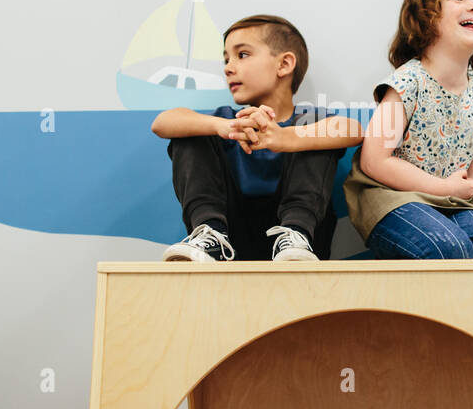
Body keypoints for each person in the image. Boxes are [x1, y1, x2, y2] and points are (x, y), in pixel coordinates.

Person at [152, 14, 364, 262]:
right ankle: (210, 235)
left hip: (301, 241)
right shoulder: (225, 120)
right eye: (226, 59)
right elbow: (163, 122)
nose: (228, 67)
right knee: (191, 130)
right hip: (231, 239)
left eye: (242, 55)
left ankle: (296, 234)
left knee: (317, 134)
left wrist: (285, 137)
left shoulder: (308, 119)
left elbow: (353, 129)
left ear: (284, 64)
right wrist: (226, 126)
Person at [346, 0, 473, 260]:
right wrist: (442, 187)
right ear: (425, 19)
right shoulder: (407, 81)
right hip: (392, 197)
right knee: (448, 248)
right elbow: (375, 161)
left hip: (451, 202)